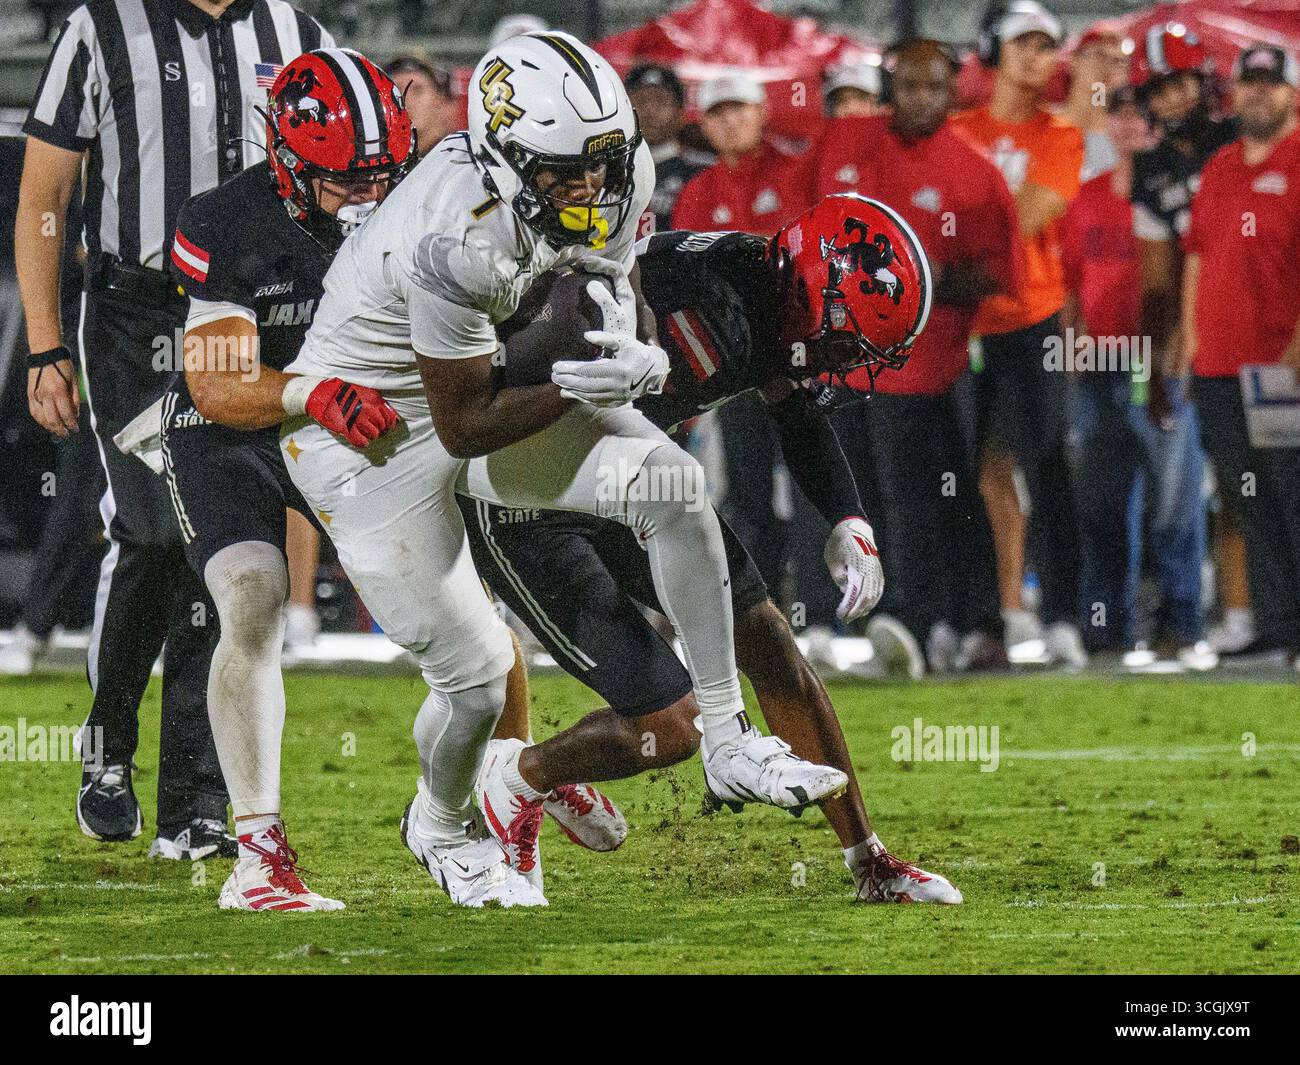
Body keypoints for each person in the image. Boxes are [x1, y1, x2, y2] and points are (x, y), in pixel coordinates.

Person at [280, 32, 844, 908]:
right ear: (505, 165)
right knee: (473, 679)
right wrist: (580, 383)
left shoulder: (622, 176)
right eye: (561, 173)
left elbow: (614, 300)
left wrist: (644, 356)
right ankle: (437, 819)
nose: (588, 188)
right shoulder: (450, 233)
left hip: (489, 398)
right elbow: (463, 425)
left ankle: (730, 737)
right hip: (372, 435)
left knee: (676, 488)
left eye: (601, 164)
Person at [466, 194, 961, 904]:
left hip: (631, 481)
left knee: (767, 636)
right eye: (845, 342)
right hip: (527, 495)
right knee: (670, 727)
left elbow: (794, 411)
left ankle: (869, 860)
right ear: (807, 285)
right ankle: (519, 777)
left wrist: (850, 518)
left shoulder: (765, 297)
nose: (844, 362)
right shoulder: (702, 293)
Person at [17, 0, 332, 858]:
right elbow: (45, 194)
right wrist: (46, 343)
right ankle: (107, 747)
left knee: (226, 546)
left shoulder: (298, 30)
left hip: (248, 311)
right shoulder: (102, 24)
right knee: (153, 530)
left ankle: (193, 806)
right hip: (133, 311)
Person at [816, 38, 1019, 676]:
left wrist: (918, 279)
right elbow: (804, 225)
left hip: (931, 367)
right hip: (843, 361)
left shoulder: (973, 171)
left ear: (954, 90)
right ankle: (900, 623)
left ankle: (944, 624)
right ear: (890, 86)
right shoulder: (843, 143)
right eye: (909, 86)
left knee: (935, 500)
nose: (922, 99)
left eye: (935, 88)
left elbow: (997, 271)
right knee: (862, 498)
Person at [952, 1, 1086, 668]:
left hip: (1032, 318)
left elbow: (1030, 216)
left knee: (1050, 463)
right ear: (992, 50)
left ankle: (1064, 615)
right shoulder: (955, 131)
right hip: (964, 326)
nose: (1040, 56)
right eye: (1025, 43)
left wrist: (958, 236)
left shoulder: (1062, 134)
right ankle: (985, 621)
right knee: (971, 473)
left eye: (1047, 45)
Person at [1060, 87, 1213, 668]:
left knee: (1174, 503)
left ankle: (1182, 626)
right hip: (1100, 362)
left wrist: (1180, 345)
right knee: (1102, 503)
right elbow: (1074, 281)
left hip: (1158, 358)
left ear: (1155, 130)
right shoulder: (1087, 197)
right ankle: (1108, 628)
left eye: (1141, 118)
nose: (1130, 127)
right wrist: (1072, 345)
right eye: (1120, 115)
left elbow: (1187, 273)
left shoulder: (1174, 191)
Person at [1183, 43, 1300, 668]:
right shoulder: (1222, 164)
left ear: (1291, 93)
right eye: (1248, 82)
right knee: (1246, 498)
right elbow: (1198, 255)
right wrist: (1190, 341)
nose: (1257, 92)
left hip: (1279, 365)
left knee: (1291, 493)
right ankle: (1277, 626)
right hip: (1221, 366)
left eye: (1269, 83)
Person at [625, 64, 713, 232]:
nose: (650, 111)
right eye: (640, 101)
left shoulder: (703, 171)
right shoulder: (604, 170)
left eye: (661, 101)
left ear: (681, 113)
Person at [1062, 24, 1130, 181]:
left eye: (1117, 61)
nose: (1105, 67)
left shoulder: (1126, 144)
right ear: (1074, 60)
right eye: (1098, 55)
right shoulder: (1042, 123)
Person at [385, 55, 461, 155]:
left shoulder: (460, 160)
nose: (406, 99)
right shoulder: (374, 163)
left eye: (417, 90)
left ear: (440, 100)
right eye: (397, 91)